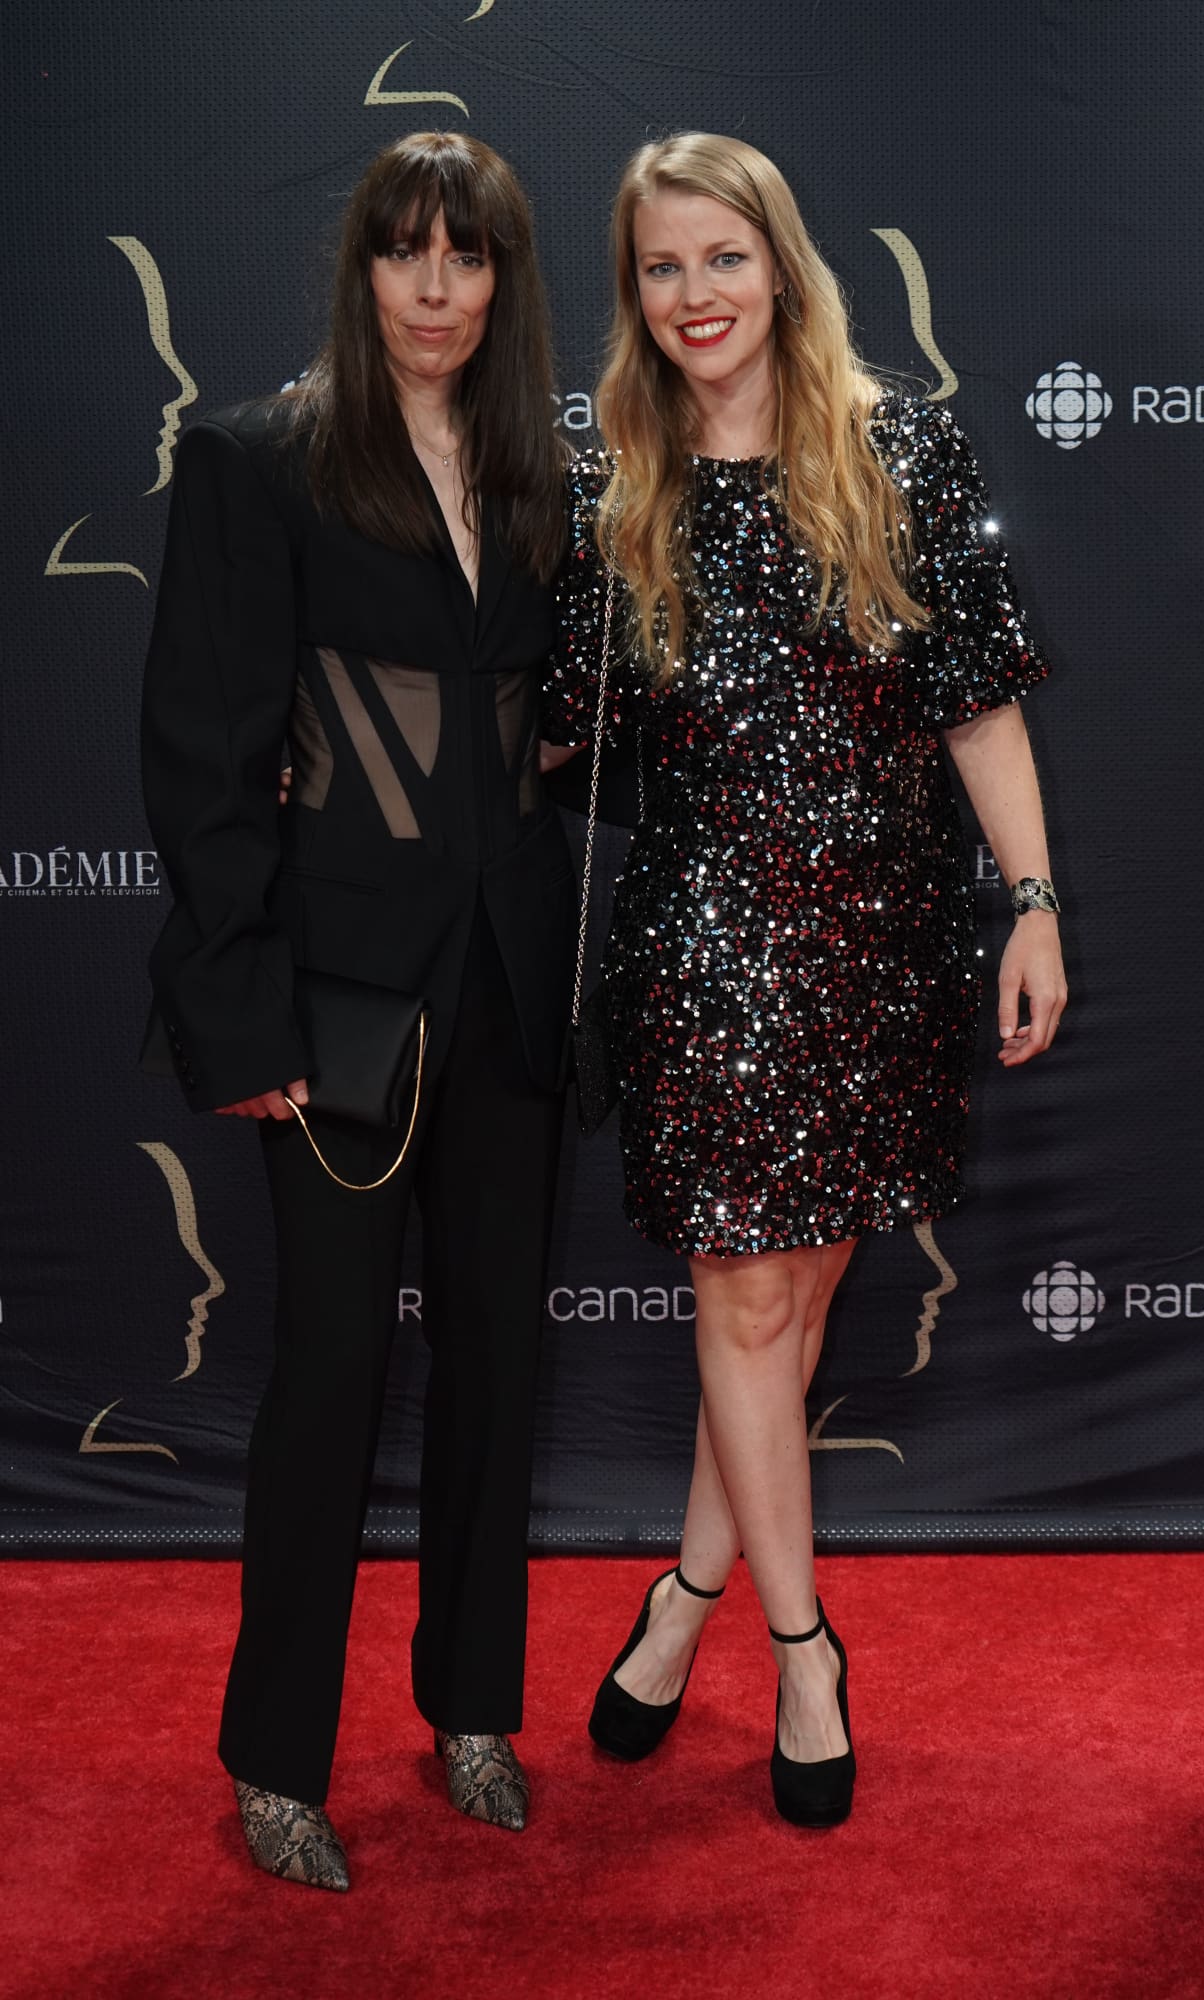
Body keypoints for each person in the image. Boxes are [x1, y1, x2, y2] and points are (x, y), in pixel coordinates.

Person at [543, 132, 1067, 1828]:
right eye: (659, 267)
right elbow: (535, 711)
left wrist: (1032, 901)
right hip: (702, 943)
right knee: (748, 1302)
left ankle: (677, 1605)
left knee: (800, 1300)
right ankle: (801, 1647)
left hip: (883, 943)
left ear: (778, 261)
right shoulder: (600, 465)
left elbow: (976, 701)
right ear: (631, 292)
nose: (693, 295)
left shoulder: (894, 443)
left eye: (721, 258)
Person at [141, 131, 572, 1890]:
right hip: (329, 1001)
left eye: (469, 259)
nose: (438, 290)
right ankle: (275, 1762)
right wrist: (239, 1022)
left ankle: (474, 1709)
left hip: (508, 990)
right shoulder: (257, 459)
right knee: (328, 1377)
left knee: (498, 1365)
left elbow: (565, 722)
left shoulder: (551, 465)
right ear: (363, 269)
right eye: (407, 256)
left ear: (503, 279)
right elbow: (201, 759)